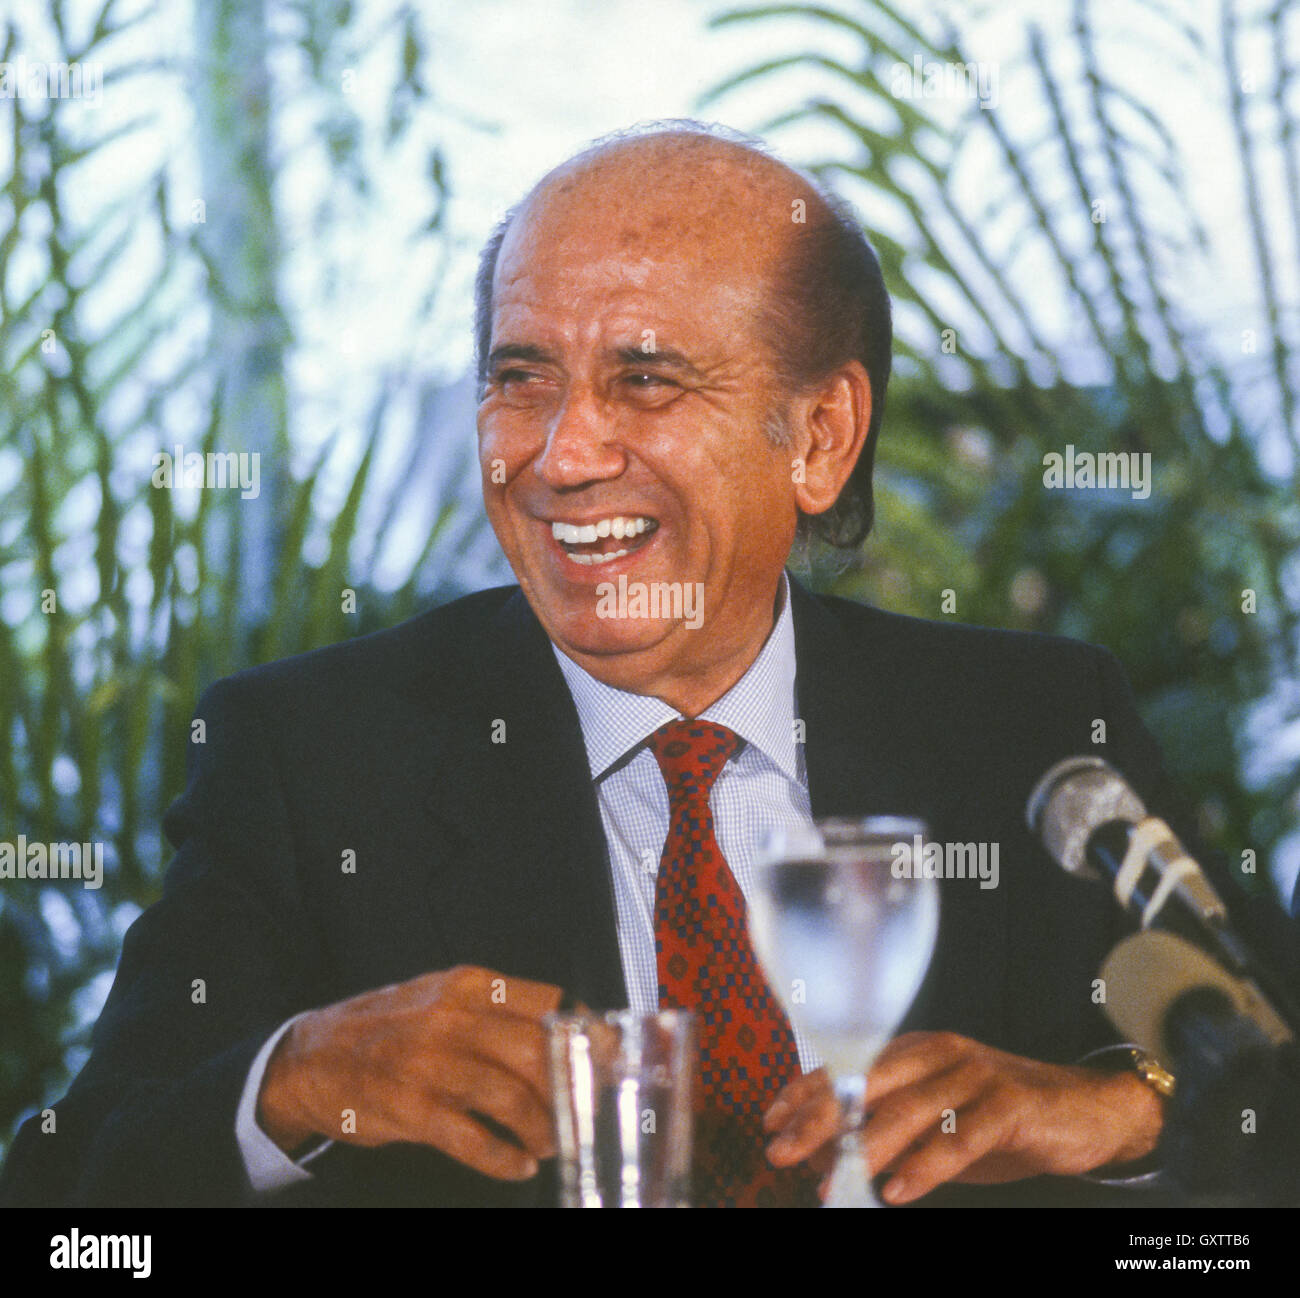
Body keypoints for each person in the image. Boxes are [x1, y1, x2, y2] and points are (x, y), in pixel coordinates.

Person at [2, 122, 1287, 1209]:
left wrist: (1118, 1109)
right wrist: (289, 1079)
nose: (561, 454)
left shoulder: (1034, 728)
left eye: (645, 378)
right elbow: (68, 1200)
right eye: (521, 377)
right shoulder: (314, 757)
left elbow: (1272, 1079)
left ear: (821, 436)